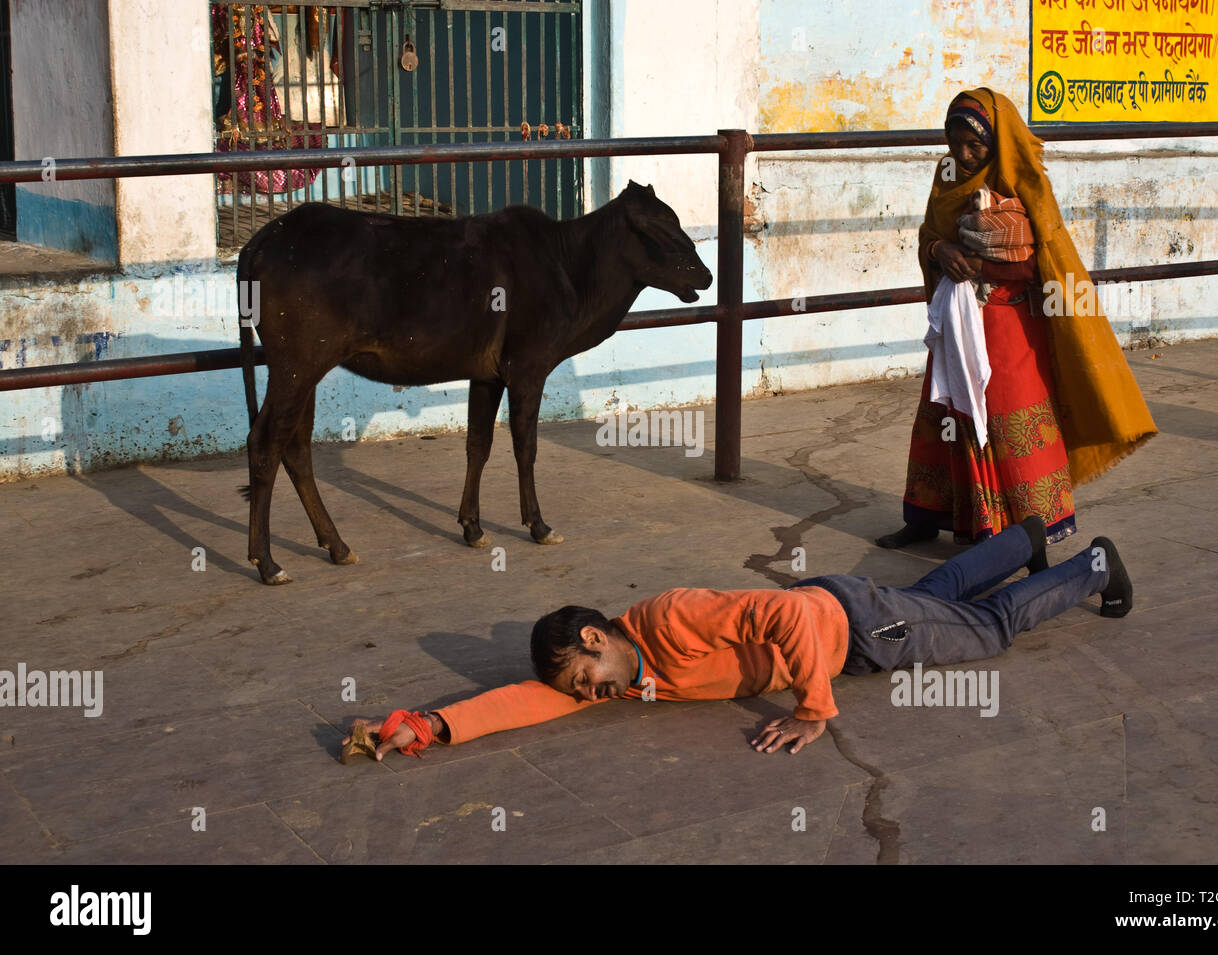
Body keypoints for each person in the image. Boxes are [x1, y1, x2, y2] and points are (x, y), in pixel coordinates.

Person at [339, 517, 1133, 762]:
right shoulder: (621, 668)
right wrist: (433, 724)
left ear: (596, 635)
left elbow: (783, 617)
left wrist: (814, 709)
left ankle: (1093, 564)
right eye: (583, 692)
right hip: (853, 611)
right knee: (937, 595)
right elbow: (528, 701)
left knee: (988, 630)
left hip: (854, 630)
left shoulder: (670, 617)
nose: (587, 695)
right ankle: (1022, 540)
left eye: (585, 678)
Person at [877, 88, 1157, 552]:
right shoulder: (946, 177)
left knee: (1009, 425)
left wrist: (982, 268)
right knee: (943, 417)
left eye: (975, 146)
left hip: (1008, 327)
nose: (962, 155)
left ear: (997, 144)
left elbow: (1041, 261)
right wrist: (939, 250)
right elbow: (930, 232)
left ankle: (1029, 533)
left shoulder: (1022, 181)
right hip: (957, 321)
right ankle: (927, 517)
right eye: (954, 141)